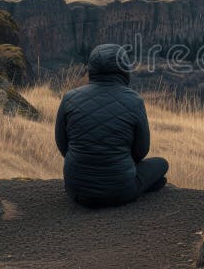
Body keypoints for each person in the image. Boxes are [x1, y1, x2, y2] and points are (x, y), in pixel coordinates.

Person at [55, 43, 168, 208]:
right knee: (162, 164)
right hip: (121, 192)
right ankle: (140, 187)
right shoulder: (134, 101)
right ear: (124, 69)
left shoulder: (69, 98)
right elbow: (141, 151)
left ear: (91, 68)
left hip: (76, 190)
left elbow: (63, 145)